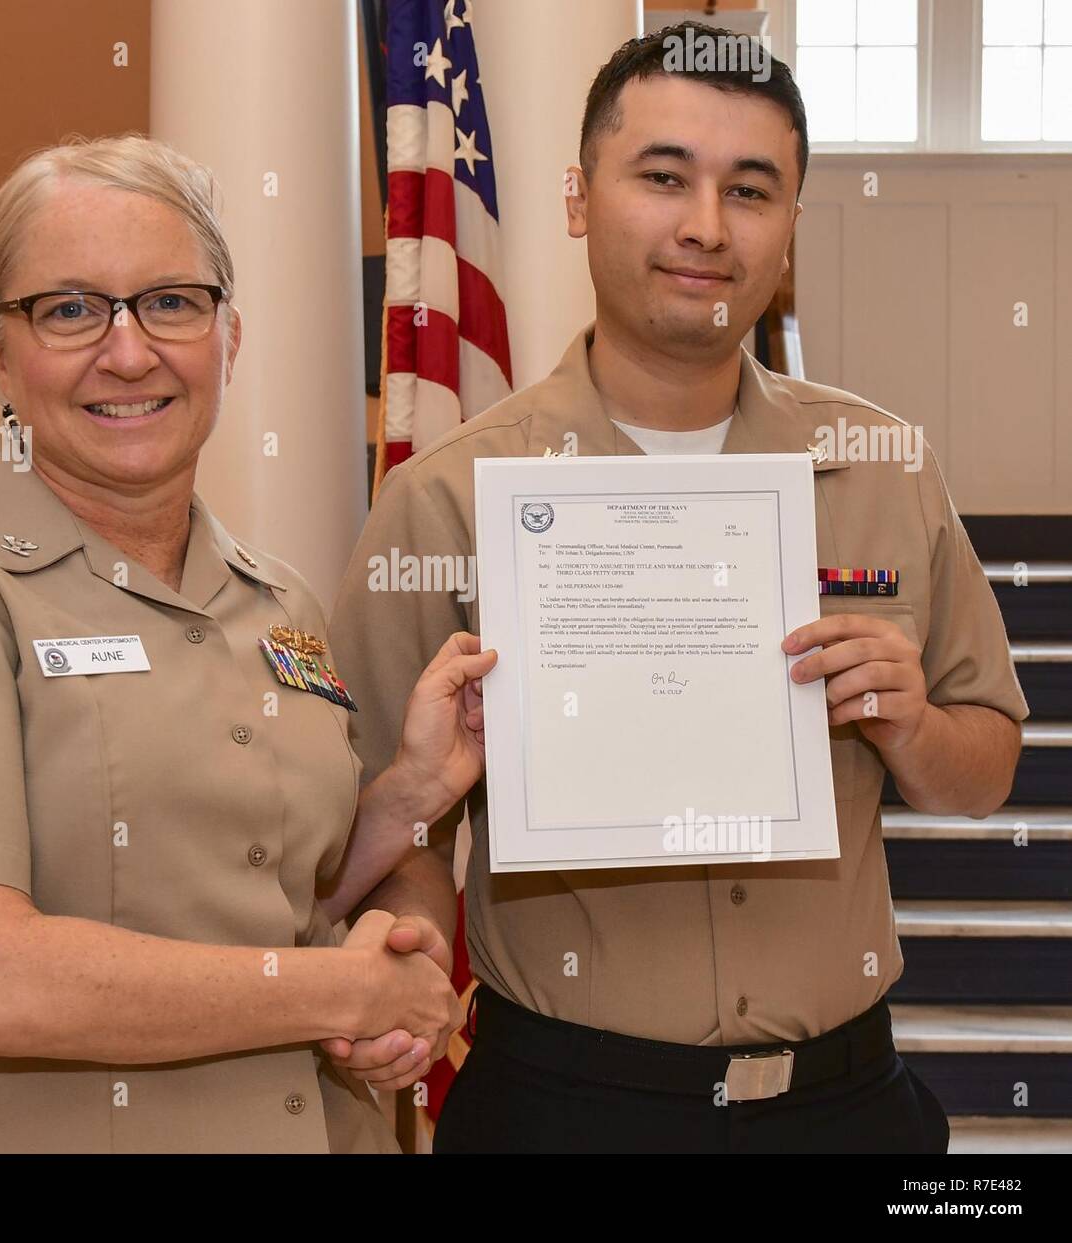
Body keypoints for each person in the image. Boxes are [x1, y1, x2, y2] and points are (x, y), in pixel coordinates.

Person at [327, 25, 1028, 1153]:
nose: (705, 225)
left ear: (788, 230)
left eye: (750, 191)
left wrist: (912, 721)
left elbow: (984, 770)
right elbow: (370, 823)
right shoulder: (451, 500)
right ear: (578, 196)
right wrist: (403, 939)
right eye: (662, 177)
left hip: (845, 1104)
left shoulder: (884, 465)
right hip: (567, 1108)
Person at [0, 134, 493, 1153]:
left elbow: (272, 899)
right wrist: (336, 988)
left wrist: (406, 800)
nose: (128, 351)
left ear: (229, 337)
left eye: (170, 301)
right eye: (69, 309)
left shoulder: (279, 598)